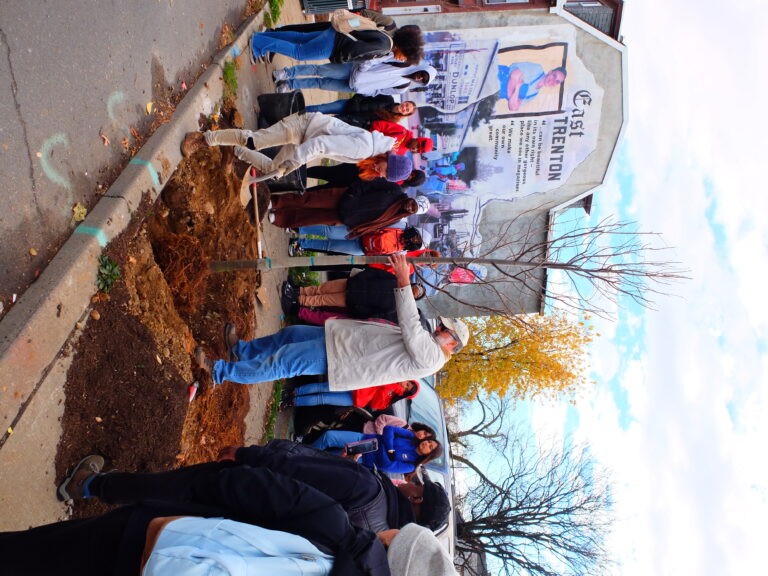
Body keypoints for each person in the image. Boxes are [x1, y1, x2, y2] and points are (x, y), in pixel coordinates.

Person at [6, 457, 391, 576]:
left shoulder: (352, 506)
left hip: (153, 540)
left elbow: (260, 480)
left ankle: (90, 485)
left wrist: (245, 457)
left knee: (35, 554)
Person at [57, 439, 451, 534]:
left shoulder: (369, 489)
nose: (410, 484)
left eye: (416, 487)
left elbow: (295, 470)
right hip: (246, 525)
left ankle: (89, 485)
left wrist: (246, 454)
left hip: (244, 486)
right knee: (158, 521)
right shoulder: (374, 536)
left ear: (416, 499)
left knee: (167, 487)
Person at [194, 254, 470, 388]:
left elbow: (410, 326)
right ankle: (242, 351)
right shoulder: (430, 347)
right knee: (290, 335)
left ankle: (218, 372)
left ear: (452, 344)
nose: (439, 328)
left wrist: (402, 281)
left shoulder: (433, 358)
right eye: (442, 325)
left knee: (284, 362)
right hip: (342, 340)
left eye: (445, 330)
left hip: (343, 357)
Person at [180, 111, 398, 180]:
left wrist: (292, 163)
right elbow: (321, 144)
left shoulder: (370, 153)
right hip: (303, 127)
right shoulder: (364, 149)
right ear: (388, 159)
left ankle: (236, 152)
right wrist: (295, 162)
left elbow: (320, 146)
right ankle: (203, 138)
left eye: (384, 176)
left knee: (272, 169)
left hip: (305, 139)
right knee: (254, 140)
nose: (381, 174)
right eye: (386, 170)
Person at [267, 169, 418, 230]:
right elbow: (372, 182)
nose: (410, 207)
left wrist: (353, 224)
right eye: (413, 204)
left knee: (310, 218)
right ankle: (277, 202)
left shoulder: (395, 217)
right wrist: (352, 193)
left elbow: (375, 225)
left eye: (413, 209)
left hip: (345, 217)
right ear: (412, 199)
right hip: (343, 197)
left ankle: (280, 218)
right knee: (308, 199)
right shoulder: (395, 190)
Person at [249, 22, 424, 66]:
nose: (402, 60)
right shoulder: (384, 47)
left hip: (335, 34)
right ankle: (258, 43)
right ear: (404, 48)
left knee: (299, 38)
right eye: (405, 57)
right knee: (299, 52)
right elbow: (355, 50)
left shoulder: (385, 37)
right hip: (334, 45)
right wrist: (338, 59)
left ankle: (262, 38)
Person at [310, 422, 443, 475]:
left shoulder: (410, 465)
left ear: (428, 455)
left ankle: (302, 459)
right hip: (364, 439)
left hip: (362, 458)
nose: (426, 444)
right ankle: (302, 450)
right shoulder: (410, 436)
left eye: (430, 447)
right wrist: (389, 449)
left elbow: (386, 465)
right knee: (329, 436)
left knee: (327, 457)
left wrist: (383, 444)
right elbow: (389, 429)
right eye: (429, 441)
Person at [274, 59, 436, 97]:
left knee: (320, 83)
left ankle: (289, 84)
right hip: (352, 69)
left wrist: (362, 90)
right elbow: (380, 58)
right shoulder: (404, 62)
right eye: (422, 74)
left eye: (422, 80)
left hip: (353, 86)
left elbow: (378, 92)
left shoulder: (402, 87)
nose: (419, 77)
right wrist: (363, 67)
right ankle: (287, 73)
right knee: (319, 70)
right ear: (421, 68)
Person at [287, 379, 419, 411]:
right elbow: (378, 378)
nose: (404, 385)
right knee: (323, 386)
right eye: (408, 383)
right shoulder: (394, 376)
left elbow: (375, 404)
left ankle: (292, 402)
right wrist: (393, 384)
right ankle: (293, 392)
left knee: (322, 398)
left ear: (405, 394)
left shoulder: (392, 398)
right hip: (354, 382)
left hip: (354, 398)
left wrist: (394, 388)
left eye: (407, 389)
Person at [294, 223, 423, 256]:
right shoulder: (402, 226)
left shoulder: (402, 252)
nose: (414, 239)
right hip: (361, 232)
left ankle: (301, 244)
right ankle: (299, 228)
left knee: (329, 246)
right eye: (417, 237)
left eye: (417, 242)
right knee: (330, 232)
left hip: (361, 249)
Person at [304, 95, 417, 128]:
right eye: (406, 105)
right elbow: (368, 93)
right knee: (320, 109)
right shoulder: (388, 98)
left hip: (350, 120)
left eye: (407, 110)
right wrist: (356, 100)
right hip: (347, 105)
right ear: (405, 101)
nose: (404, 107)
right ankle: (298, 111)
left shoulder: (391, 121)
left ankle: (301, 124)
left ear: (405, 114)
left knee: (322, 122)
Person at [497, 63, 567, 112]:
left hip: (494, 93)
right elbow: (515, 74)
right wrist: (511, 96)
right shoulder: (538, 70)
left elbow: (513, 107)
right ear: (550, 72)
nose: (553, 81)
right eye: (554, 76)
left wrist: (517, 89)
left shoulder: (533, 94)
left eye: (557, 81)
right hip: (495, 75)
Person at [369, 119, 434, 155]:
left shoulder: (401, 153)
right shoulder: (401, 131)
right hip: (366, 138)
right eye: (417, 146)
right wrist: (371, 140)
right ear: (417, 139)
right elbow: (378, 125)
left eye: (417, 151)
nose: (415, 149)